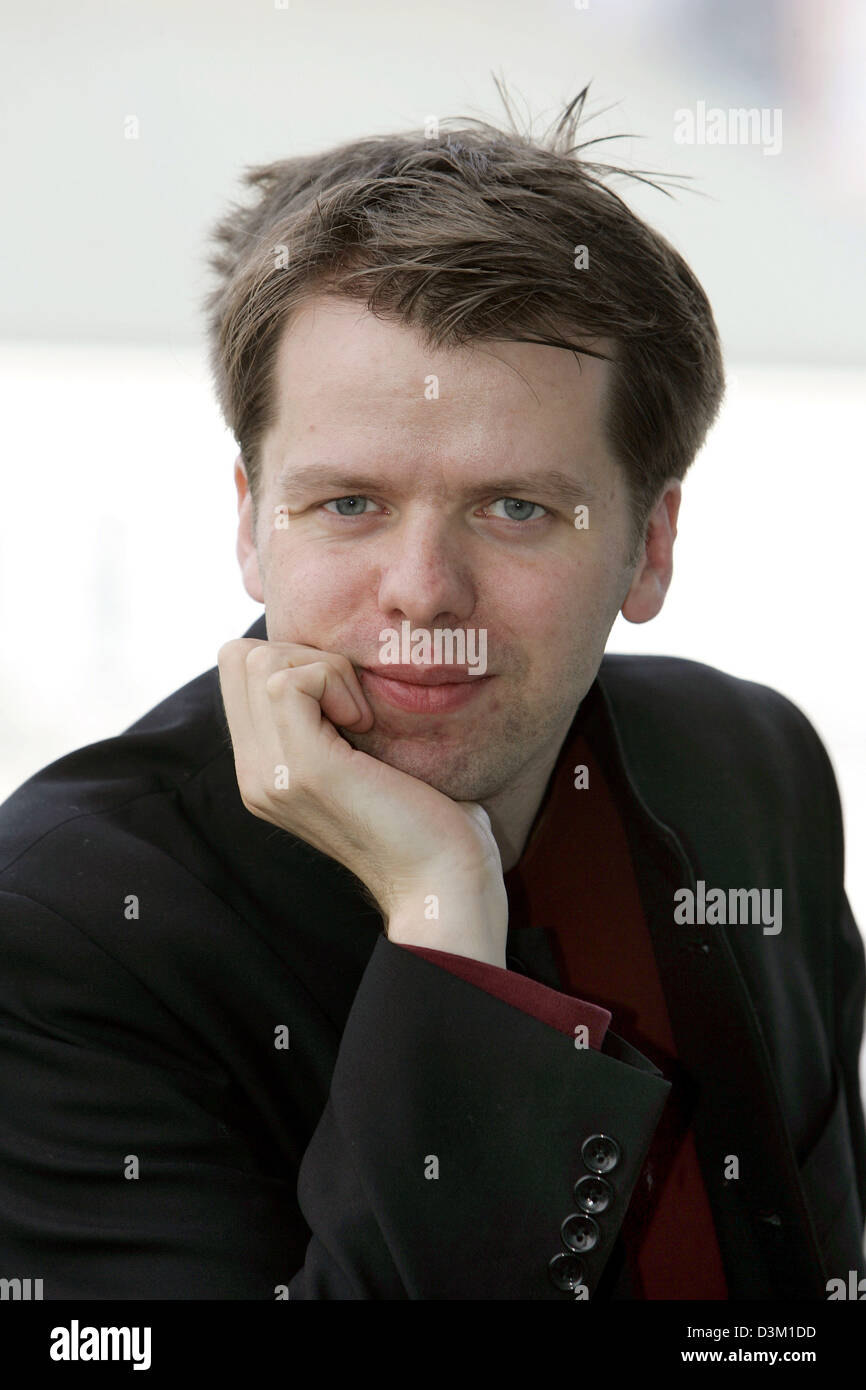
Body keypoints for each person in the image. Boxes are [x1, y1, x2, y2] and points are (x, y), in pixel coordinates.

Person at [1, 91, 863, 1301]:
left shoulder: (748, 762)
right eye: (348, 502)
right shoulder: (60, 931)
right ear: (250, 525)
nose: (421, 591)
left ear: (649, 544)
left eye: (515, 508)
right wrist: (445, 923)